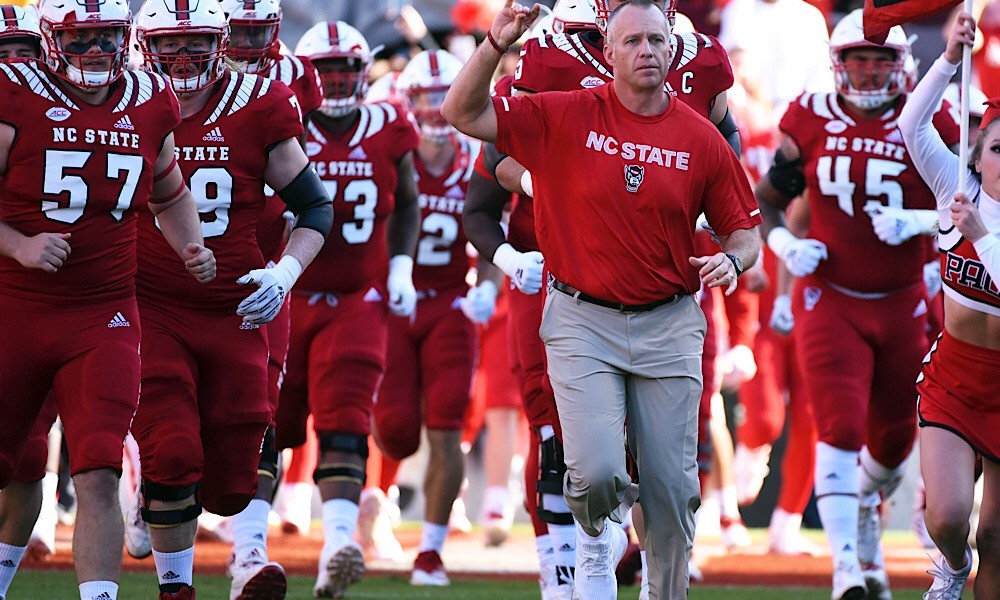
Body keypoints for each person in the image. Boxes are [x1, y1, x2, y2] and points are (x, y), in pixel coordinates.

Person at [443, 3, 762, 599]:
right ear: (605, 50)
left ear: (673, 46)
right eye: (630, 41)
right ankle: (592, 547)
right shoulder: (564, 105)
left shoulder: (700, 122)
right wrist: (492, 45)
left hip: (668, 312)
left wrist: (736, 257)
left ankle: (659, 590)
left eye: (655, 41)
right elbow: (470, 125)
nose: (646, 51)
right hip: (579, 306)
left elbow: (742, 214)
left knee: (671, 487)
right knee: (589, 467)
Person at [0, 0, 215, 597]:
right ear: (49, 40)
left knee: (97, 468)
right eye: (80, 36)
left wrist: (191, 245)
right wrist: (18, 245)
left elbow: (169, 192)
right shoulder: (12, 90)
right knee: (10, 468)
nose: (95, 49)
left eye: (105, 35)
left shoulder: (151, 98)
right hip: (13, 306)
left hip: (104, 312)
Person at [128, 1, 330, 598]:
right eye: (170, 46)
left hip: (238, 303)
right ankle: (177, 586)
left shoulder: (261, 102)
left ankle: (160, 489)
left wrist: (284, 273)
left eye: (196, 44)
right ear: (146, 47)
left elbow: (315, 206)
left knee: (233, 482)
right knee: (174, 447)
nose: (184, 58)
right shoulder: (125, 103)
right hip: (150, 301)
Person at [755, 9, 959, 600]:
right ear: (835, 65)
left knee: (894, 441)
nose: (869, 75)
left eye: (880, 62)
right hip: (832, 296)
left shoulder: (928, 116)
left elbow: (972, 201)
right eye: (857, 62)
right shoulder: (810, 117)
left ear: (904, 67)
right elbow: (768, 201)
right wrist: (786, 244)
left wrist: (921, 220)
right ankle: (846, 567)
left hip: (903, 301)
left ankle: (866, 509)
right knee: (839, 424)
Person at [277, 20, 421, 599]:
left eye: (344, 69)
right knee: (267, 425)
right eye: (325, 70)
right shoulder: (280, 121)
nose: (335, 82)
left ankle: (338, 542)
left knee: (345, 421)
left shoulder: (390, 123)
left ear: (365, 73)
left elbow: (406, 202)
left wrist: (401, 266)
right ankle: (250, 554)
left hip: (358, 297)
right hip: (284, 293)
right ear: (307, 76)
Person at [370, 48, 491, 587]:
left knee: (446, 429)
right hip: (395, 305)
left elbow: (491, 230)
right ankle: (376, 499)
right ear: (405, 100)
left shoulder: (478, 157)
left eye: (445, 98)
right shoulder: (392, 154)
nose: (437, 110)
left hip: (449, 305)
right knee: (395, 432)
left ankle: (431, 551)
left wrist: (487, 286)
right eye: (425, 98)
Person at [899, 12, 1000, 599]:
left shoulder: (970, 214)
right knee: (947, 518)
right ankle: (952, 569)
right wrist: (948, 59)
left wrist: (981, 232)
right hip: (956, 376)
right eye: (998, 147)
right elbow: (913, 126)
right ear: (979, 151)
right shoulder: (952, 189)